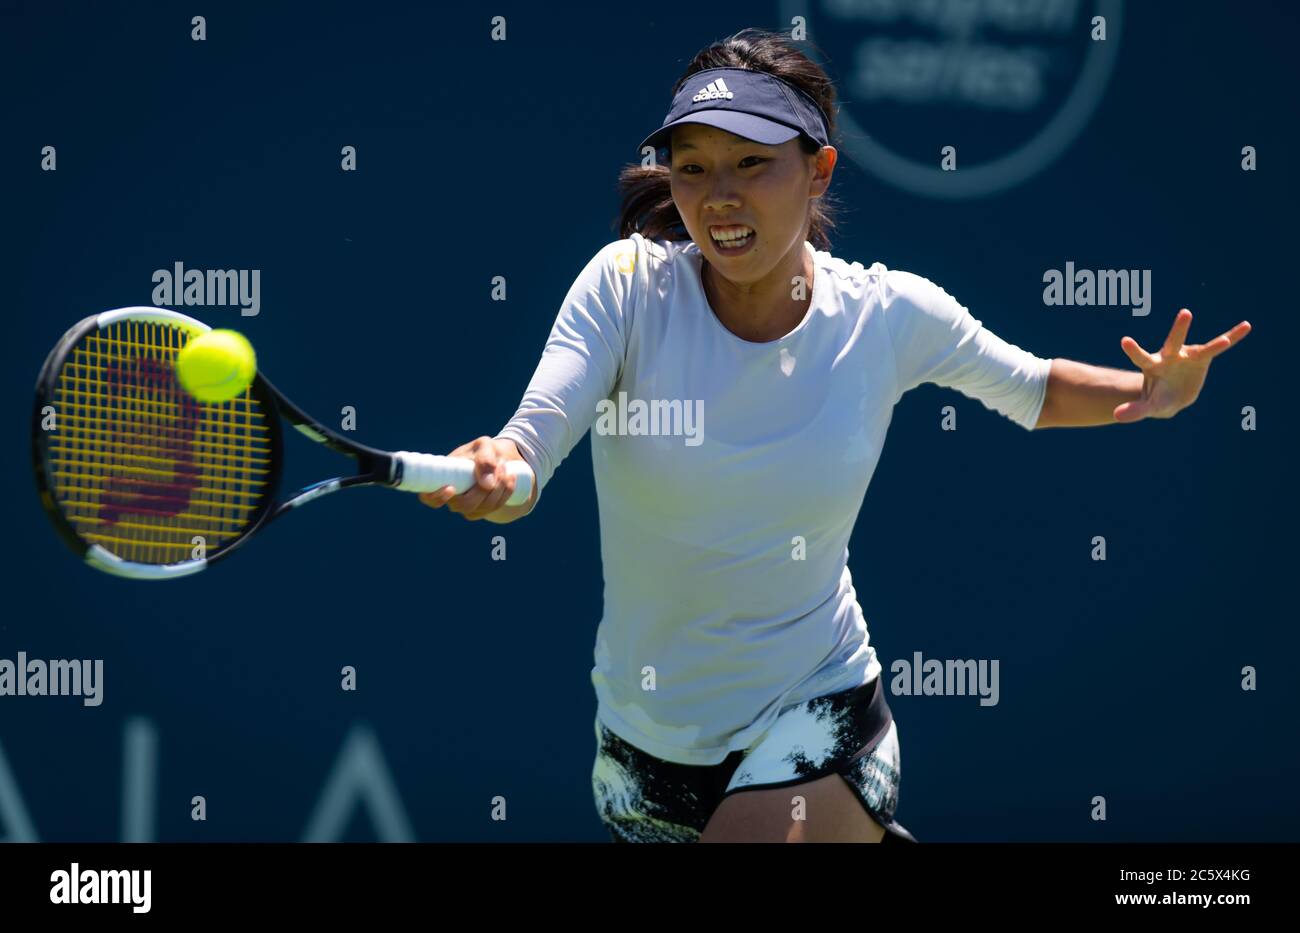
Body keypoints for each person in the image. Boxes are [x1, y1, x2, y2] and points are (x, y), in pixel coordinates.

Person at [419, 28, 1250, 843]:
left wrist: (1156, 392)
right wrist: (501, 466)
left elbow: (1035, 388)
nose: (720, 198)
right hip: (643, 757)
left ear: (818, 170)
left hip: (822, 712)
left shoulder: (888, 315)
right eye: (694, 167)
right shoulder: (625, 285)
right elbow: (531, 439)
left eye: (752, 163)